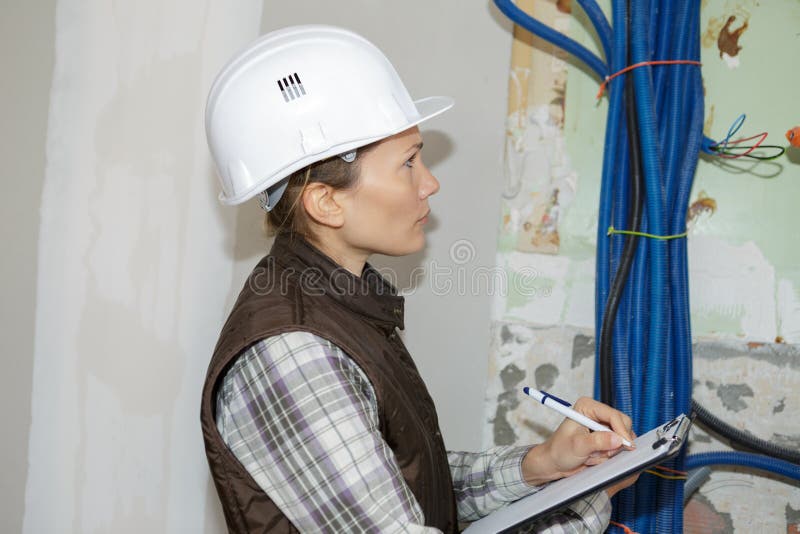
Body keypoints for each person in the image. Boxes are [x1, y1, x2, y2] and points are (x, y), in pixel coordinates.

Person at [200, 25, 637, 533]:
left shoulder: (339, 303)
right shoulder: (295, 353)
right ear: (326, 201)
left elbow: (398, 484)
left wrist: (540, 468)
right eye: (407, 163)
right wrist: (590, 505)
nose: (430, 182)